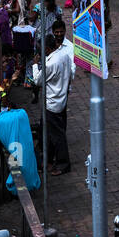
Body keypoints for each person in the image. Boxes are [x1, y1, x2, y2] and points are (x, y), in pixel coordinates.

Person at [41, 28, 73, 175]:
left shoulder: (51, 63)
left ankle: (63, 164)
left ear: (47, 48)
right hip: (61, 99)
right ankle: (47, 160)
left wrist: (36, 65)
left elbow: (37, 80)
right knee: (49, 132)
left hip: (53, 103)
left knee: (57, 135)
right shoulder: (64, 55)